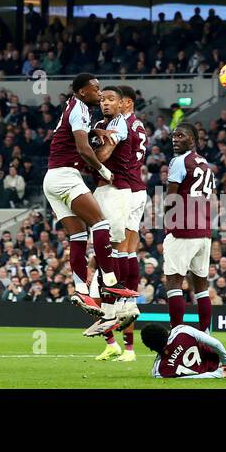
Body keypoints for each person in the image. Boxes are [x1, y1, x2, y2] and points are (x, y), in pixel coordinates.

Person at [41, 74, 135, 326]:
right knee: (101, 224)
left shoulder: (75, 107)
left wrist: (95, 129)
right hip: (65, 176)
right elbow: (83, 148)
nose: (100, 93)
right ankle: (112, 283)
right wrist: (104, 171)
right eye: (96, 90)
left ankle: (81, 290)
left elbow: (70, 133)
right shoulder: (79, 108)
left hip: (51, 178)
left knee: (78, 236)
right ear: (83, 92)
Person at [85, 84, 149, 356]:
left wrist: (94, 161)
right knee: (125, 251)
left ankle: (119, 311)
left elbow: (104, 153)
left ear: (126, 102)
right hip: (135, 188)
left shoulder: (122, 124)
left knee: (109, 253)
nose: (107, 104)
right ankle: (123, 343)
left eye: (113, 99)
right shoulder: (134, 125)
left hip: (120, 188)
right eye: (104, 100)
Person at [160, 123, 216, 336]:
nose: (175, 139)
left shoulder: (179, 161)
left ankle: (175, 334)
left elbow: (171, 197)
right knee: (201, 287)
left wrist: (167, 225)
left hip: (183, 229)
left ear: (192, 139)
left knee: (174, 282)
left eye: (181, 136)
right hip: (203, 231)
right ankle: (206, 337)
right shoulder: (205, 164)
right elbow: (213, 196)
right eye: (174, 136)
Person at [140, 323, 226, 378]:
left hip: (204, 372)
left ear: (150, 347)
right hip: (214, 361)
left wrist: (217, 374)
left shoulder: (159, 371)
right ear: (164, 331)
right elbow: (215, 343)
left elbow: (190, 379)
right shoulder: (182, 331)